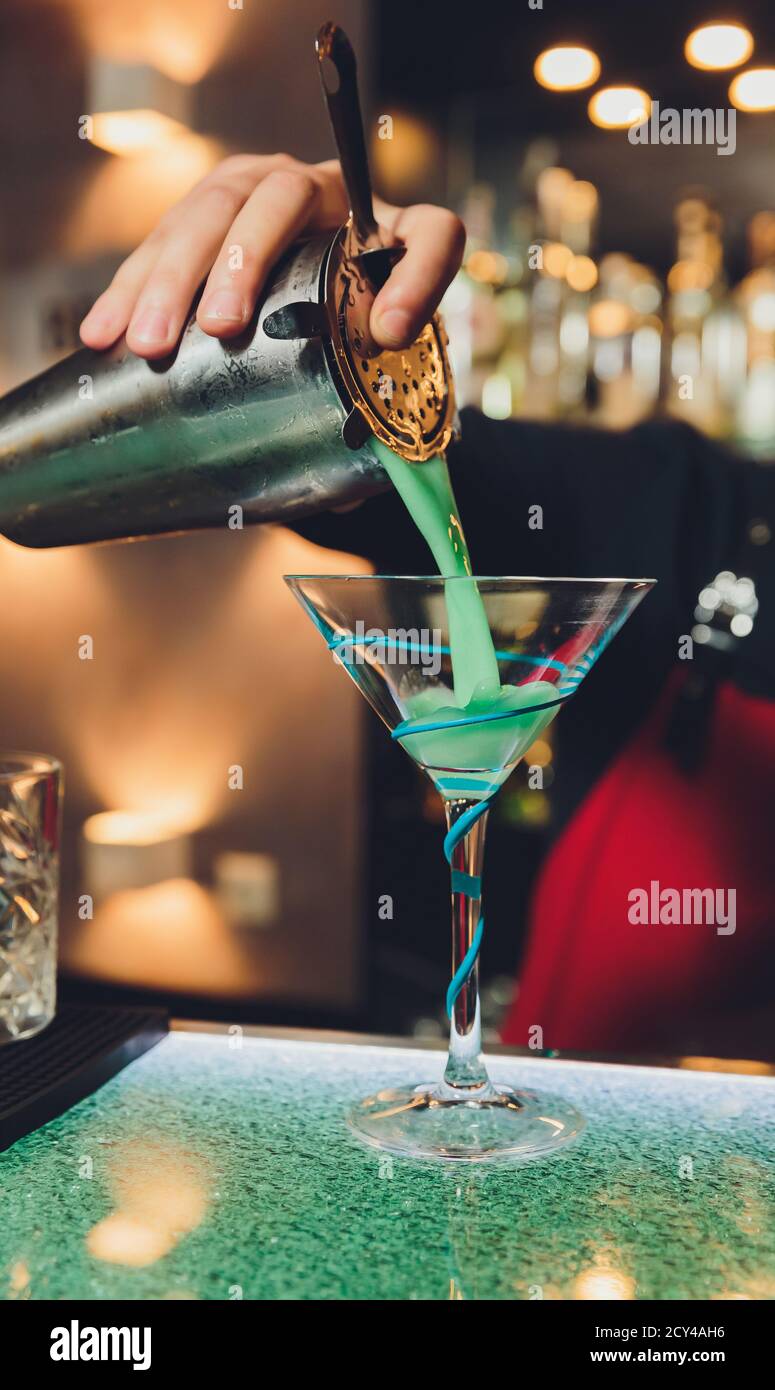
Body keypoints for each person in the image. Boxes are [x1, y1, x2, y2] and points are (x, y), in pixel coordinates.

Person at [81, 156, 775, 1059]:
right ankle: (463, 1072)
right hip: (556, 1117)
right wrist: (320, 333)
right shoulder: (692, 506)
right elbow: (426, 477)